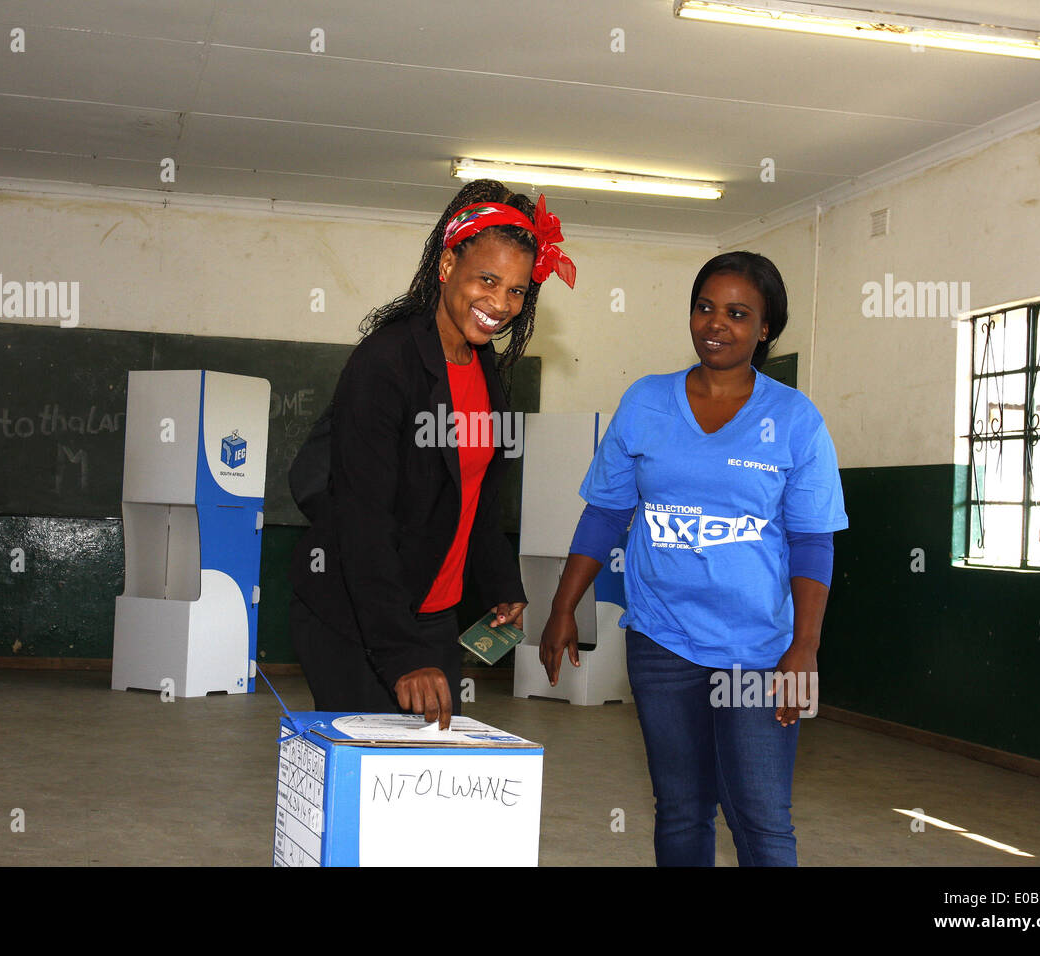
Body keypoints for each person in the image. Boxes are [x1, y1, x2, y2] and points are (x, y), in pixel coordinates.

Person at [540, 251, 847, 866]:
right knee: (681, 811)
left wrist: (804, 647)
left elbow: (813, 540)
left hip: (759, 652)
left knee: (761, 818)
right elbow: (605, 512)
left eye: (738, 313)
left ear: (765, 329)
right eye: (705, 307)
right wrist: (563, 606)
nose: (716, 324)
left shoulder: (794, 420)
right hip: (662, 641)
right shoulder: (647, 402)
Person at [290, 180, 576, 729]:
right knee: (378, 782)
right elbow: (363, 517)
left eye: (517, 291)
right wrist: (401, 656)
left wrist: (498, 583)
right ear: (447, 266)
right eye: (487, 280)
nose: (500, 304)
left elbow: (476, 492)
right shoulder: (386, 362)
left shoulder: (482, 367)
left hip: (433, 612)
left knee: (434, 778)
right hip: (358, 614)